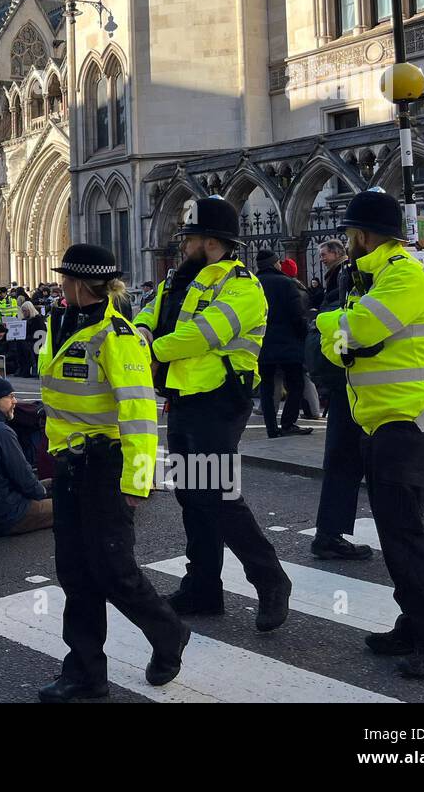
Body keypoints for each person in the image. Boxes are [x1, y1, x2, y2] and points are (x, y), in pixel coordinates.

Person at [316, 190, 424, 678]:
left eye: (350, 234)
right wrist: (338, 336)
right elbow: (345, 347)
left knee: (404, 527)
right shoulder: (374, 276)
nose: (347, 241)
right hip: (389, 418)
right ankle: (417, 622)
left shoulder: (402, 274)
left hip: (419, 415)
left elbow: (352, 334)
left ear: (363, 235)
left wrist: (324, 323)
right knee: (392, 525)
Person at [32, 244, 189, 702]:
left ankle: (169, 632)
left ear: (80, 284)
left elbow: (140, 414)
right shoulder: (57, 325)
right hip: (69, 464)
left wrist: (138, 481)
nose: (60, 285)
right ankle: (85, 674)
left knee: (113, 569)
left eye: (65, 279)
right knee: (75, 572)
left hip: (106, 465)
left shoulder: (118, 336)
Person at [136, 197, 292, 632]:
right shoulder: (178, 279)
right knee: (191, 492)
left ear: (210, 242)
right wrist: (145, 329)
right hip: (184, 397)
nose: (182, 245)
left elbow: (205, 334)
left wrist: (152, 347)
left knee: (218, 493)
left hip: (220, 398)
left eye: (189, 238)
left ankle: (271, 580)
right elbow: (150, 310)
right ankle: (203, 587)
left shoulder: (242, 285)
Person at [308, 239, 375, 561]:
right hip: (361, 385)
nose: (321, 259)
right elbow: (339, 331)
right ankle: (329, 535)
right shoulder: (356, 278)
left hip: (352, 384)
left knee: (346, 458)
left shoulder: (348, 276)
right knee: (353, 459)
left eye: (325, 254)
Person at [0, 375, 53, 536]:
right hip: (8, 511)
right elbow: (22, 476)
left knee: (52, 484)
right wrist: (41, 492)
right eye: (10, 396)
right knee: (66, 506)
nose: (15, 401)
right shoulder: (1, 432)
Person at [254, 249, 311, 439]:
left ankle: (271, 427)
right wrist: (304, 336)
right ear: (274, 263)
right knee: (296, 384)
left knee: (267, 387)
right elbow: (297, 315)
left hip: (262, 343)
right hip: (289, 344)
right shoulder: (287, 283)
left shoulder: (252, 285)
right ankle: (288, 423)